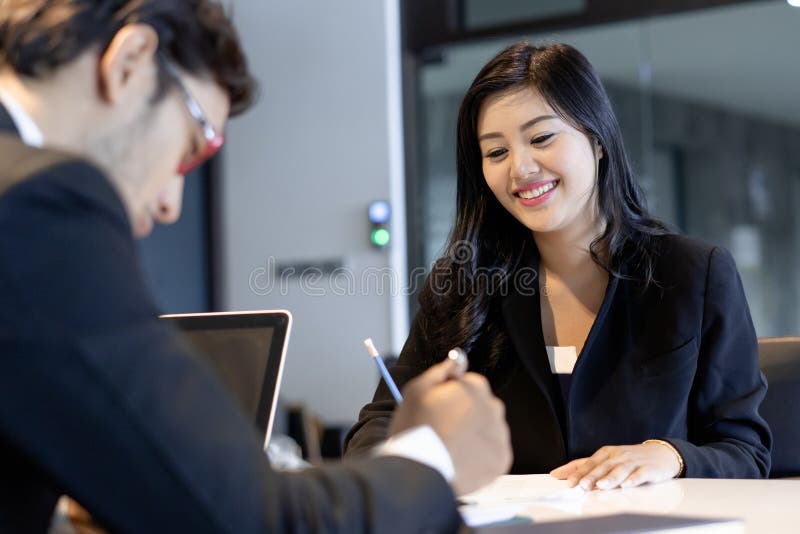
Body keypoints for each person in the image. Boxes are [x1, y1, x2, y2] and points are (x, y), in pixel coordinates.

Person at [0, 2, 513, 533]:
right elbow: (247, 519)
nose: (172, 203)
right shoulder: (37, 205)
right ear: (130, 60)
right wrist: (435, 460)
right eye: (193, 148)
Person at [345, 42, 772, 490]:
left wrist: (671, 455)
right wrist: (409, 458)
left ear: (598, 139)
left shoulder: (693, 274)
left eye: (541, 137)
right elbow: (377, 425)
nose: (520, 168)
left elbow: (746, 449)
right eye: (495, 153)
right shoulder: (464, 285)